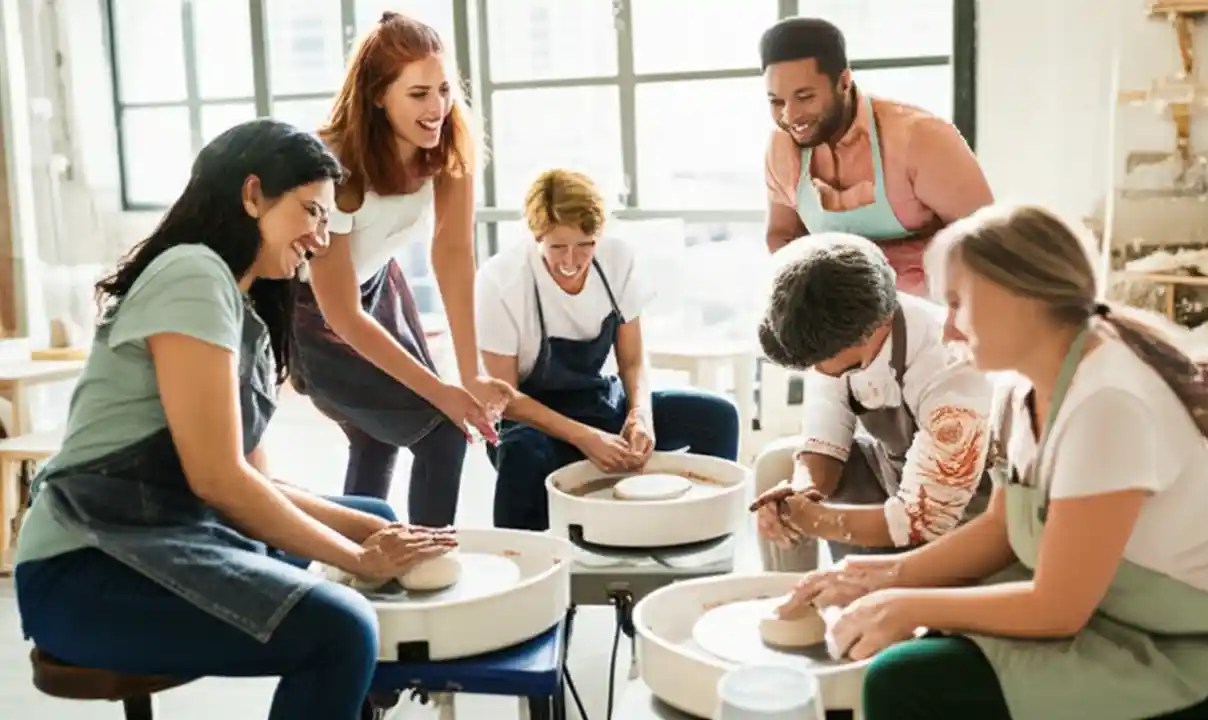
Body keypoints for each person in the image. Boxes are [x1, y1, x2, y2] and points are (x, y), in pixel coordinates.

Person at [14, 119, 456, 720]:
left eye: (328, 219)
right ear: (253, 196)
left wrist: (369, 538)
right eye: (311, 212)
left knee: (374, 518)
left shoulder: (239, 304)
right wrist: (359, 560)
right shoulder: (192, 274)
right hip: (87, 567)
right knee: (343, 629)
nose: (322, 239)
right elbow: (218, 480)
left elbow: (257, 482)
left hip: (167, 536)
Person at [779, 205, 1208, 720]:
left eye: (957, 304)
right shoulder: (1022, 387)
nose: (948, 330)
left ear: (1020, 300)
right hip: (1114, 607)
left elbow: (1058, 608)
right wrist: (883, 574)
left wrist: (905, 603)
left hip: (1193, 652)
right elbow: (1002, 523)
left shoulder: (1109, 404)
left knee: (903, 680)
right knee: (913, 637)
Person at [291, 12, 512, 527]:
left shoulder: (451, 140)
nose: (437, 108)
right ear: (376, 95)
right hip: (311, 313)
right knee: (442, 432)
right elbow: (340, 313)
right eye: (418, 94)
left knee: (377, 437)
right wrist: (445, 394)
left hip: (378, 285)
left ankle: (362, 561)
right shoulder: (333, 164)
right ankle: (425, 566)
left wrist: (470, 373)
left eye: (443, 89)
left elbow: (453, 255)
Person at [476, 169, 741, 530]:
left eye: (585, 244)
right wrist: (584, 437)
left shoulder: (617, 260)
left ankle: (700, 531)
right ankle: (527, 565)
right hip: (533, 423)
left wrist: (640, 414)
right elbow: (505, 398)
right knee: (521, 452)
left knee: (718, 416)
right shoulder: (501, 281)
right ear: (536, 235)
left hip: (600, 405)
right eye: (557, 247)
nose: (571, 260)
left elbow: (632, 361)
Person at [750, 233, 992, 572]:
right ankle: (787, 604)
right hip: (889, 477)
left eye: (823, 361)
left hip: (962, 516)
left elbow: (928, 518)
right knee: (775, 468)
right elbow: (824, 430)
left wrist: (819, 520)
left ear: (877, 325)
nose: (818, 370)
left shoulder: (948, 367)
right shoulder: (834, 340)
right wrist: (801, 492)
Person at [760, 17, 993, 296]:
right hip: (841, 316)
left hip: (932, 312)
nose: (790, 115)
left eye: (806, 96)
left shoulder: (921, 139)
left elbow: (988, 244)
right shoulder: (782, 146)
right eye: (776, 101)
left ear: (844, 81)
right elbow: (782, 236)